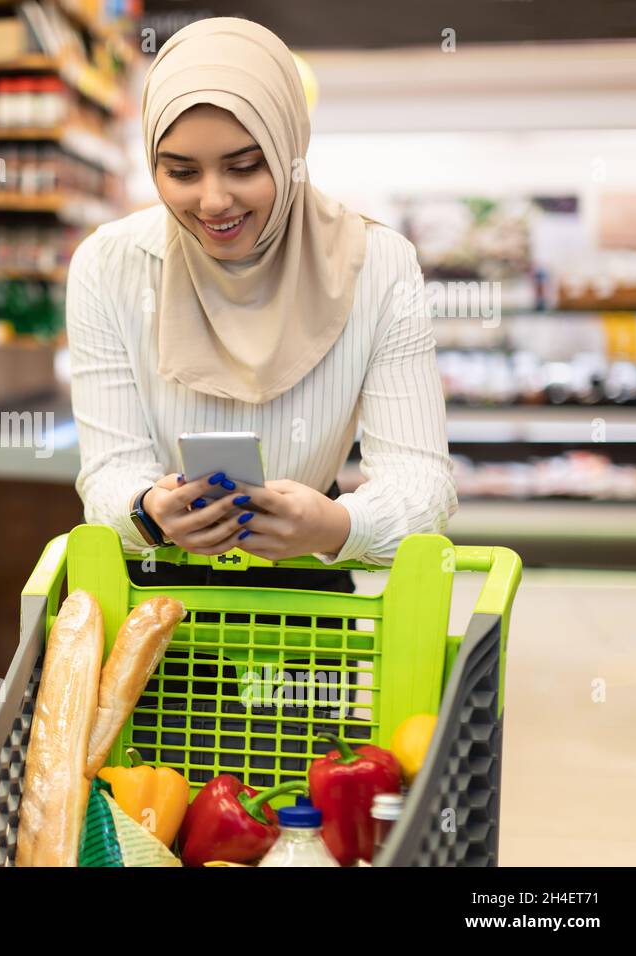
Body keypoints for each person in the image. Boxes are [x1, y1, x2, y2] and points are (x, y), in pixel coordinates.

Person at [66, 17, 456, 596]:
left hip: (306, 591)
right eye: (180, 172)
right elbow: (107, 473)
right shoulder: (109, 264)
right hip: (151, 597)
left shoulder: (378, 265)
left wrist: (338, 524)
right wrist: (146, 510)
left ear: (288, 149)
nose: (214, 200)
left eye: (245, 166)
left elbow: (423, 482)